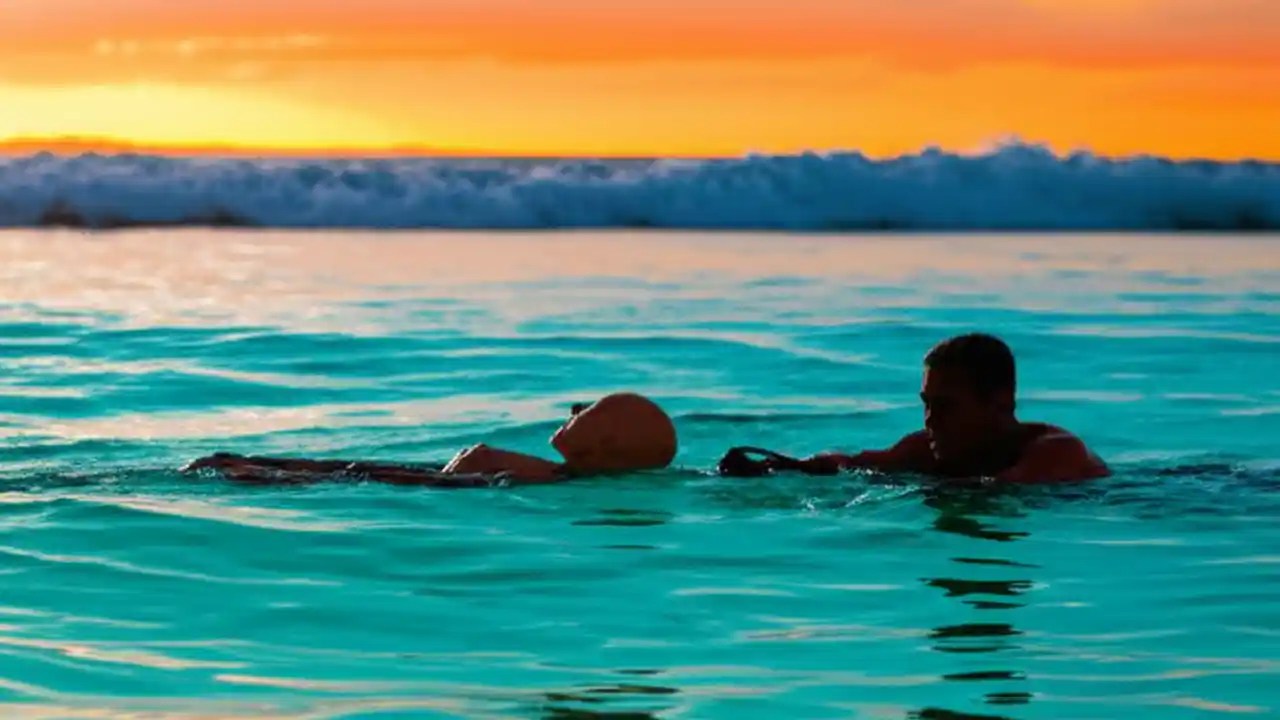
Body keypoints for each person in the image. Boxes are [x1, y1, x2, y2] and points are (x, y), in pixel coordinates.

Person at [723, 333, 1109, 483]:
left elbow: (1002, 495)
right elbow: (853, 463)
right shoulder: (927, 446)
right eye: (926, 404)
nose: (931, 420)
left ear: (1000, 403)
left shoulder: (1056, 451)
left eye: (947, 406)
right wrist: (785, 467)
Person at [182, 392, 678, 487]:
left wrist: (270, 477)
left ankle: (251, 467)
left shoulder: (551, 482)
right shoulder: (558, 476)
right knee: (344, 468)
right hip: (409, 479)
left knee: (349, 473)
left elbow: (421, 485)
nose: (573, 410)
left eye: (587, 411)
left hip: (405, 486)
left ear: (603, 443)